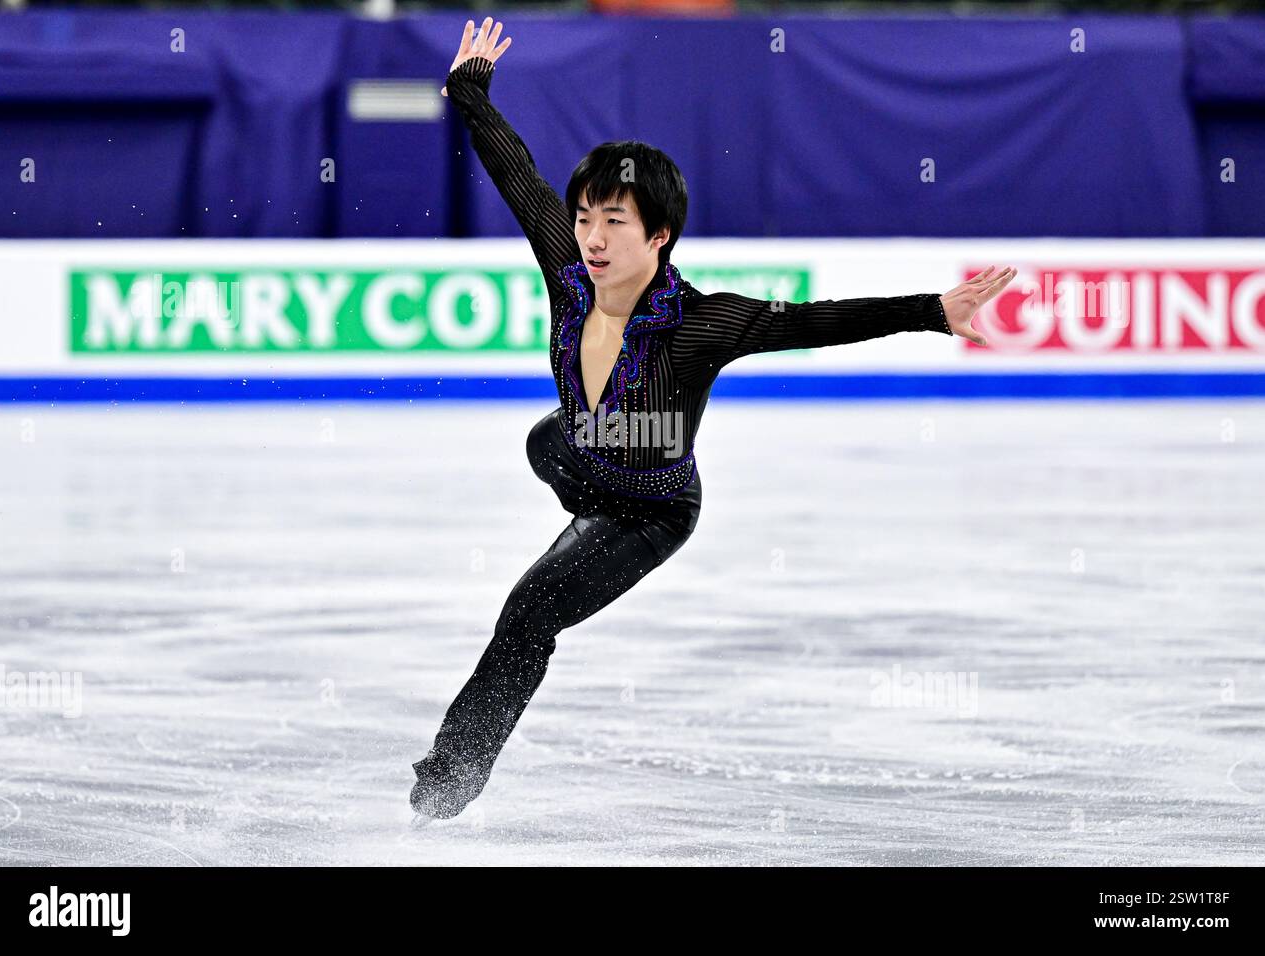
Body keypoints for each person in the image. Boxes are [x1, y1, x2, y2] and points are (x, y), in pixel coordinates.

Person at [410, 17, 1016, 819]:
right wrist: (472, 90)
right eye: (585, 218)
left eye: (613, 223)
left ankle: (449, 779)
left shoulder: (702, 324)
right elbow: (519, 177)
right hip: (581, 452)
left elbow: (813, 321)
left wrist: (932, 311)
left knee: (528, 615)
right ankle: (574, 471)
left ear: (658, 237)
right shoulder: (569, 268)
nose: (591, 238)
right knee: (543, 442)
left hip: (649, 507)